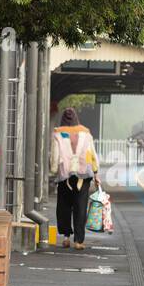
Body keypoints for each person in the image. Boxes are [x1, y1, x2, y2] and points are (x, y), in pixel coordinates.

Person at [49, 107, 99, 250]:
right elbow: (92, 154)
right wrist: (96, 173)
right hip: (83, 174)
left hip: (65, 175)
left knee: (64, 206)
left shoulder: (58, 133)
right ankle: (79, 240)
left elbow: (55, 156)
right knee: (80, 207)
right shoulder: (86, 133)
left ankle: (66, 237)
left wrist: (53, 170)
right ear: (76, 118)